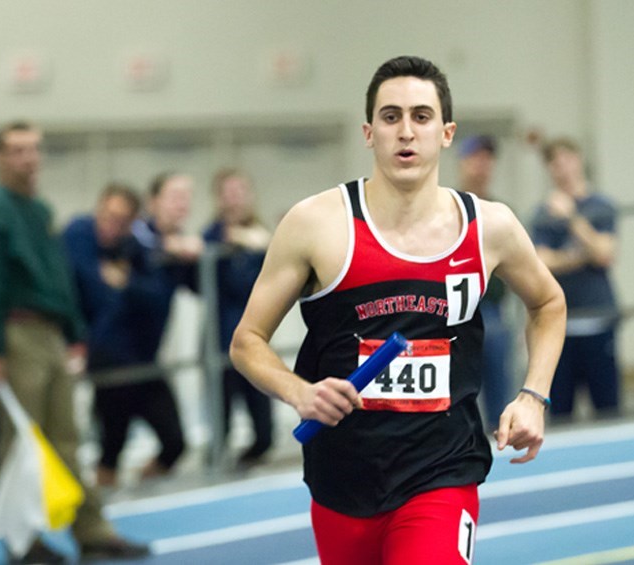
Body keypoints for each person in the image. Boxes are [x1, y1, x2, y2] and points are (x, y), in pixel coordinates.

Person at [230, 55, 566, 564]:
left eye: (421, 116)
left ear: (446, 133)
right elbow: (246, 342)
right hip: (342, 479)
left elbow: (548, 302)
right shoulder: (316, 224)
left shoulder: (488, 226)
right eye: (391, 117)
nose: (406, 131)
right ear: (369, 133)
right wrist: (299, 392)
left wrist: (533, 396)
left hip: (443, 472)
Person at [0, 121, 149, 563]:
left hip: (49, 333)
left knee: (68, 438)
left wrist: (73, 333)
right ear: (0, 157)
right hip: (16, 332)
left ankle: (91, 530)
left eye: (34, 149)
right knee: (21, 441)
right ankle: (23, 541)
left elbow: (58, 277)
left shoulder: (40, 209)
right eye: (18, 150)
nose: (29, 158)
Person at [63, 183, 185, 487]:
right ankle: (105, 500)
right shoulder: (78, 236)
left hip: (142, 360)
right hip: (107, 360)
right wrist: (75, 344)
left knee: (175, 442)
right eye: (107, 216)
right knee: (111, 445)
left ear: (131, 223)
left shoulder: (137, 248)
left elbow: (159, 295)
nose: (110, 226)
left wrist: (127, 283)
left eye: (120, 221)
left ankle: (138, 490)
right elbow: (73, 291)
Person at [531, 138, 621, 421]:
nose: (563, 168)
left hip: (598, 321)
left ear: (579, 160)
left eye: (567, 159)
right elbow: (541, 261)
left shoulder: (601, 205)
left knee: (608, 411)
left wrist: (571, 217)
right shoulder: (543, 213)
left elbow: (605, 254)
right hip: (559, 328)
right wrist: (582, 256)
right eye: (555, 163)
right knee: (560, 415)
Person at [202, 168, 273, 466]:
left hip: (256, 339)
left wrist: (258, 241)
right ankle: (218, 474)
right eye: (228, 193)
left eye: (239, 192)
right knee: (221, 428)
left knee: (264, 433)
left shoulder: (265, 237)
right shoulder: (211, 237)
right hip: (220, 340)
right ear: (218, 199)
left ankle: (246, 465)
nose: (234, 200)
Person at [456, 135, 515, 427]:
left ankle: (499, 434)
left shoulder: (501, 212)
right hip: (454, 311)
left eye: (487, 159)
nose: (482, 165)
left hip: (491, 308)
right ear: (462, 162)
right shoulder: (447, 207)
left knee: (498, 389)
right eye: (476, 158)